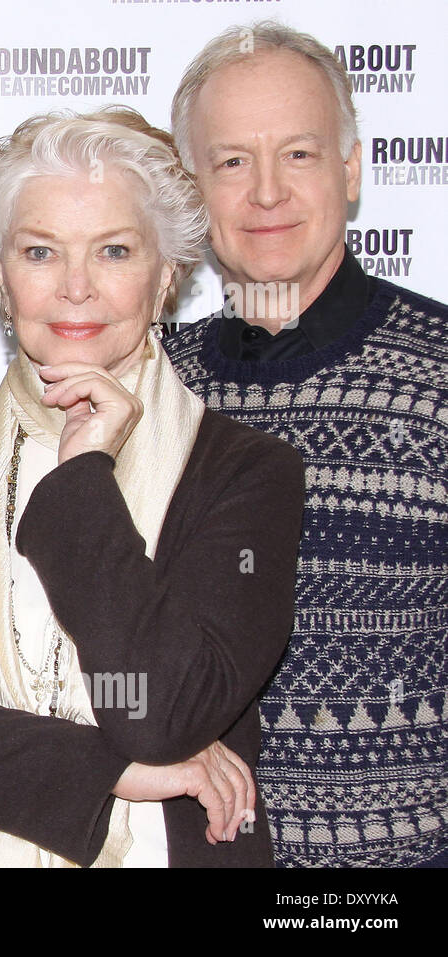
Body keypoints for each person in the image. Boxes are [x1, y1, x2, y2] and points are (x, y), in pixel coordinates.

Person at [0, 107, 304, 867]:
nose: (76, 288)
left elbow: (162, 713)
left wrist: (82, 478)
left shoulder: (246, 473)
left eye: (114, 250)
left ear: (167, 275)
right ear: (1, 278)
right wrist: (105, 771)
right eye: (41, 251)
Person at [165, 20, 448, 867]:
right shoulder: (146, 389)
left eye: (298, 154)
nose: (265, 194)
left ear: (352, 168)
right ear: (191, 188)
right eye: (231, 161)